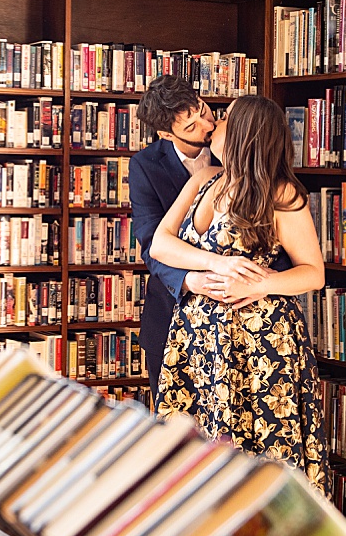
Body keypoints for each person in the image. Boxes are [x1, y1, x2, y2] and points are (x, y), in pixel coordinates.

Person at [147, 94, 328, 491]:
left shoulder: (280, 195)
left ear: (245, 132)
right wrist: (217, 263)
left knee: (257, 451)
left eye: (225, 117)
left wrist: (262, 282)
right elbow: (160, 244)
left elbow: (314, 274)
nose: (214, 123)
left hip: (256, 344)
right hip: (196, 341)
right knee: (191, 453)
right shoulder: (204, 180)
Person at [130, 76, 290, 400]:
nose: (207, 124)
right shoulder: (145, 166)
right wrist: (192, 279)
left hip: (246, 321)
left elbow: (277, 234)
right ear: (166, 134)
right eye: (190, 127)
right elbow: (152, 245)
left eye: (203, 110)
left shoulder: (236, 138)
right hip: (172, 312)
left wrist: (267, 281)